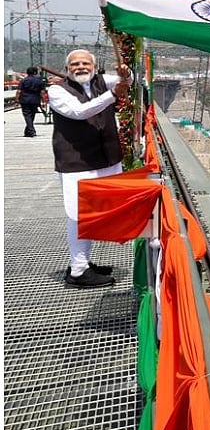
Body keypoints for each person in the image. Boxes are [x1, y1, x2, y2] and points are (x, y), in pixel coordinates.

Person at [47, 49, 132, 289]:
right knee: (77, 216)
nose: (81, 67)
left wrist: (126, 73)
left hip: (106, 159)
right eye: (75, 64)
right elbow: (79, 112)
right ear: (67, 68)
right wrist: (112, 95)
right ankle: (78, 271)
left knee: (96, 214)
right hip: (77, 164)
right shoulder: (57, 91)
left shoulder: (101, 81)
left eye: (85, 63)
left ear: (94, 66)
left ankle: (83, 262)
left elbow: (129, 81)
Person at [16, 66, 46, 137]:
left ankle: (31, 131)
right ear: (35, 72)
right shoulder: (39, 81)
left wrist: (17, 100)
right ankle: (28, 131)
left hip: (25, 100)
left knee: (27, 116)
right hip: (35, 100)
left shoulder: (23, 80)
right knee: (32, 115)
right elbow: (42, 92)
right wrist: (43, 101)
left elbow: (19, 91)